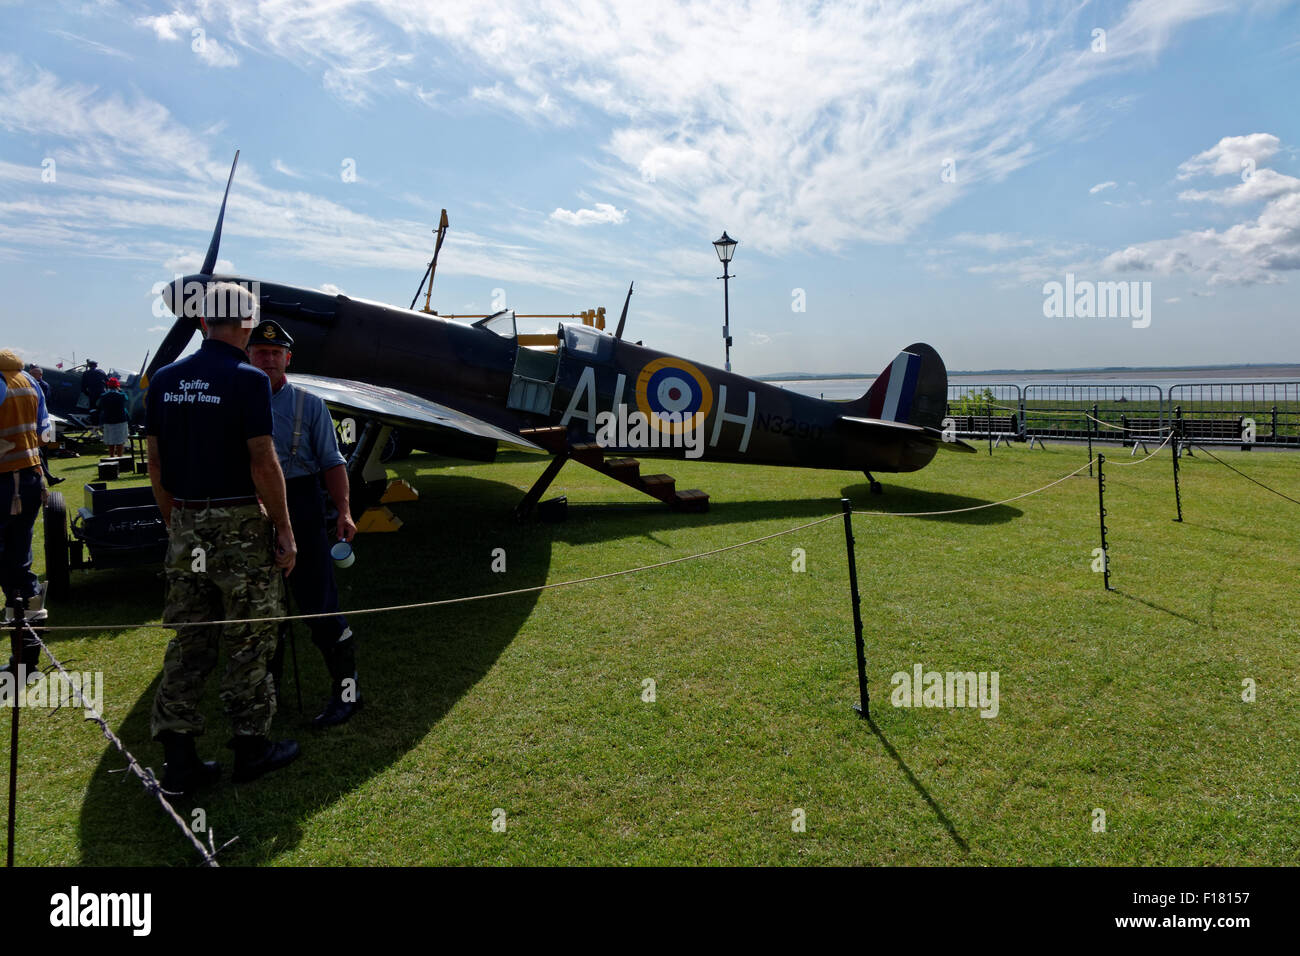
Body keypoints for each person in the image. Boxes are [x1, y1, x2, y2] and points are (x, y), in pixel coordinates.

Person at [146, 282, 300, 794]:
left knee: (190, 641)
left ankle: (180, 760)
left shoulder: (164, 379)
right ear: (247, 324)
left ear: (203, 322)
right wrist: (284, 528)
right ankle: (252, 749)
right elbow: (262, 461)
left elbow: (155, 464)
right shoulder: (248, 380)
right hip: (239, 526)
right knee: (249, 638)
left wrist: (176, 522)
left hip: (186, 522)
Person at [247, 320, 361, 729]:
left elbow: (332, 461)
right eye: (261, 352)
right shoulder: (235, 400)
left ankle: (348, 694)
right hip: (250, 507)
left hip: (302, 503)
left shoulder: (309, 405)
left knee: (320, 605)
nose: (269, 359)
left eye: (276, 353)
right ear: (248, 356)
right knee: (262, 610)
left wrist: (343, 510)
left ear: (288, 359)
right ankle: (266, 698)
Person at [0, 349, 51, 680]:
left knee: (13, 571)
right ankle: (26, 661)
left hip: (5, 483)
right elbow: (45, 433)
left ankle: (23, 662)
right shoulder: (30, 381)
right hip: (29, 478)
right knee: (19, 568)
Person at [26, 364, 62, 486]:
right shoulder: (29, 383)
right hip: (36, 420)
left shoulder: (43, 385)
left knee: (43, 449)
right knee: (38, 452)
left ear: (40, 375)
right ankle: (47, 476)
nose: (32, 375)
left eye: (34, 374)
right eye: (31, 373)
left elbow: (44, 401)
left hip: (43, 418)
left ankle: (47, 473)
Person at [97, 376, 130, 457]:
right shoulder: (121, 395)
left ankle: (111, 456)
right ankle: (120, 456)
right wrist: (120, 390)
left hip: (108, 420)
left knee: (110, 440)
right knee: (120, 440)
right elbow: (126, 399)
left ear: (108, 386)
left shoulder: (103, 396)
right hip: (120, 420)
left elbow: (98, 404)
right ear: (117, 386)